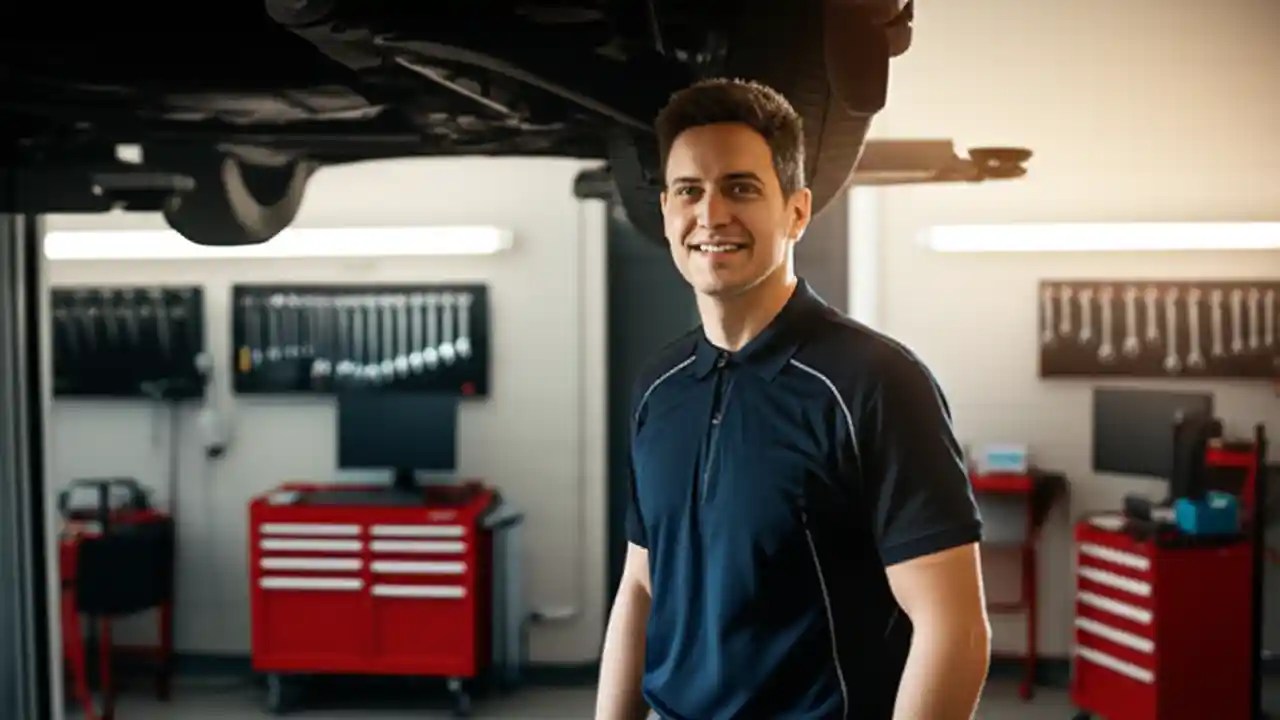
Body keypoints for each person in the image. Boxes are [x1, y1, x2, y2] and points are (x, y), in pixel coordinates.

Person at [594, 78, 992, 720]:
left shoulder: (875, 382)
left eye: (742, 188)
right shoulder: (659, 388)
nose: (711, 214)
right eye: (690, 191)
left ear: (797, 211)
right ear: (666, 209)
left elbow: (954, 630)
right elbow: (640, 587)